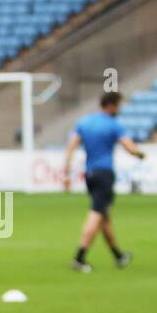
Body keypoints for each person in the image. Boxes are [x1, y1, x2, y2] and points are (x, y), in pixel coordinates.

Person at [63, 91, 145, 273]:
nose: (119, 109)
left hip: (90, 174)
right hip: (105, 174)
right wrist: (140, 154)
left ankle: (118, 255)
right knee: (96, 214)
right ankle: (79, 257)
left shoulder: (84, 122)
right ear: (111, 105)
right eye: (118, 106)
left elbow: (71, 146)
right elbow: (129, 147)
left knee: (104, 216)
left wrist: (66, 173)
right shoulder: (114, 125)